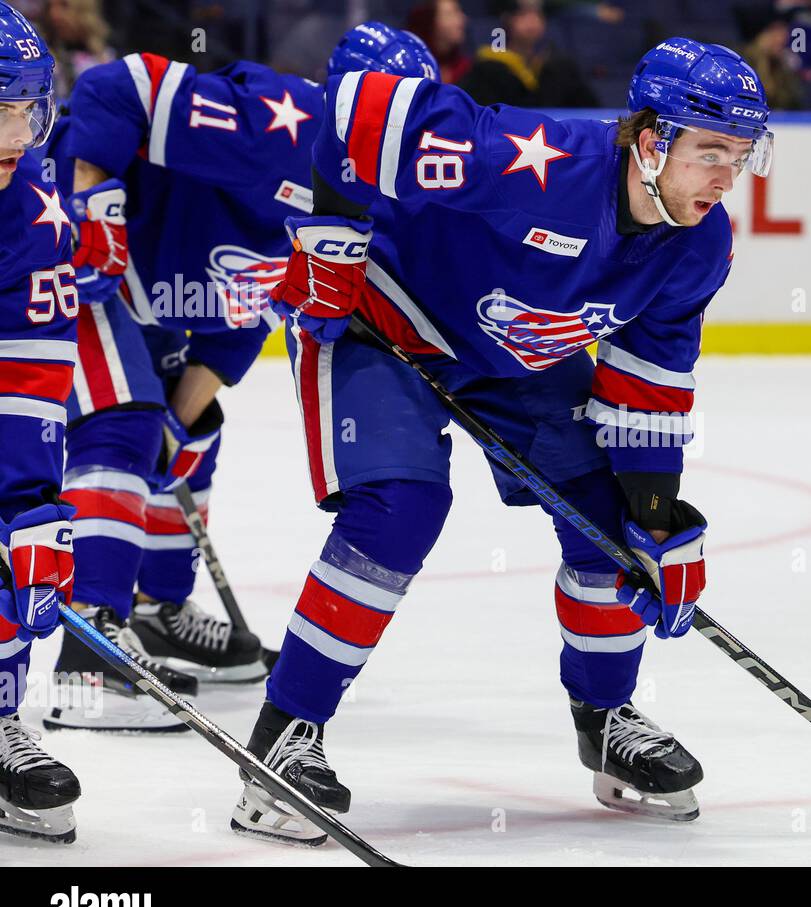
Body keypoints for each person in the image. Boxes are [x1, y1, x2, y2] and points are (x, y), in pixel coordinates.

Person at [232, 37, 774, 845]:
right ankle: (282, 742)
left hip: (507, 356)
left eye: (741, 156)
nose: (728, 178)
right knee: (399, 511)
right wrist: (331, 238)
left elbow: (648, 388)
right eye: (710, 153)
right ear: (653, 139)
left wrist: (656, 522)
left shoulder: (698, 245)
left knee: (608, 526)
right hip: (381, 320)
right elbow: (355, 113)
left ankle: (607, 722)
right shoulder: (541, 165)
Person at [35, 22, 440, 734]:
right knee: (122, 421)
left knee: (185, 433)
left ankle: (156, 609)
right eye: (389, 108)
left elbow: (255, 299)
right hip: (75, 253)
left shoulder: (379, 196)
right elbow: (112, 86)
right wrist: (91, 197)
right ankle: (89, 662)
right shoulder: (278, 124)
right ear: (343, 99)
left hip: (159, 290)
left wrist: (184, 410)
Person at [0, 0, 81, 843]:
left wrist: (27, 506)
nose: (16, 135)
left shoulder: (29, 202)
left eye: (25, 108)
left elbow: (28, 369)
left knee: (11, 536)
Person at [457, 0, 597, 108]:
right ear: (507, 19)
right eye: (523, 14)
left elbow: (589, 108)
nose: (532, 21)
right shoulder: (489, 67)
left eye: (537, 14)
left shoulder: (560, 66)